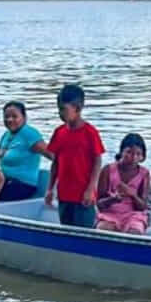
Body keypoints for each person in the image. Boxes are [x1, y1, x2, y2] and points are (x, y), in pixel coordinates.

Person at [43, 84, 106, 227]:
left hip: (83, 194)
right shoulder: (59, 132)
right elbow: (56, 163)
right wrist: (49, 189)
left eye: (63, 109)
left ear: (77, 108)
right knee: (66, 228)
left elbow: (97, 161)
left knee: (83, 232)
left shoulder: (90, 133)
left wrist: (91, 189)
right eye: (58, 109)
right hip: (64, 193)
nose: (60, 113)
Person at [0, 101, 52, 201]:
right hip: (5, 181)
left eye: (14, 116)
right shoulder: (6, 134)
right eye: (6, 116)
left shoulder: (29, 134)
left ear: (24, 118)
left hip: (23, 185)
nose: (10, 120)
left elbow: (52, 155)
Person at [96, 133, 150, 234]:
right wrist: (113, 199)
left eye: (138, 154)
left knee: (135, 232)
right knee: (103, 229)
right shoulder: (108, 170)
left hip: (133, 215)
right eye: (129, 152)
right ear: (121, 152)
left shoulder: (144, 174)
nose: (133, 157)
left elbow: (142, 206)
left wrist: (132, 194)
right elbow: (99, 204)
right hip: (110, 214)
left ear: (143, 156)